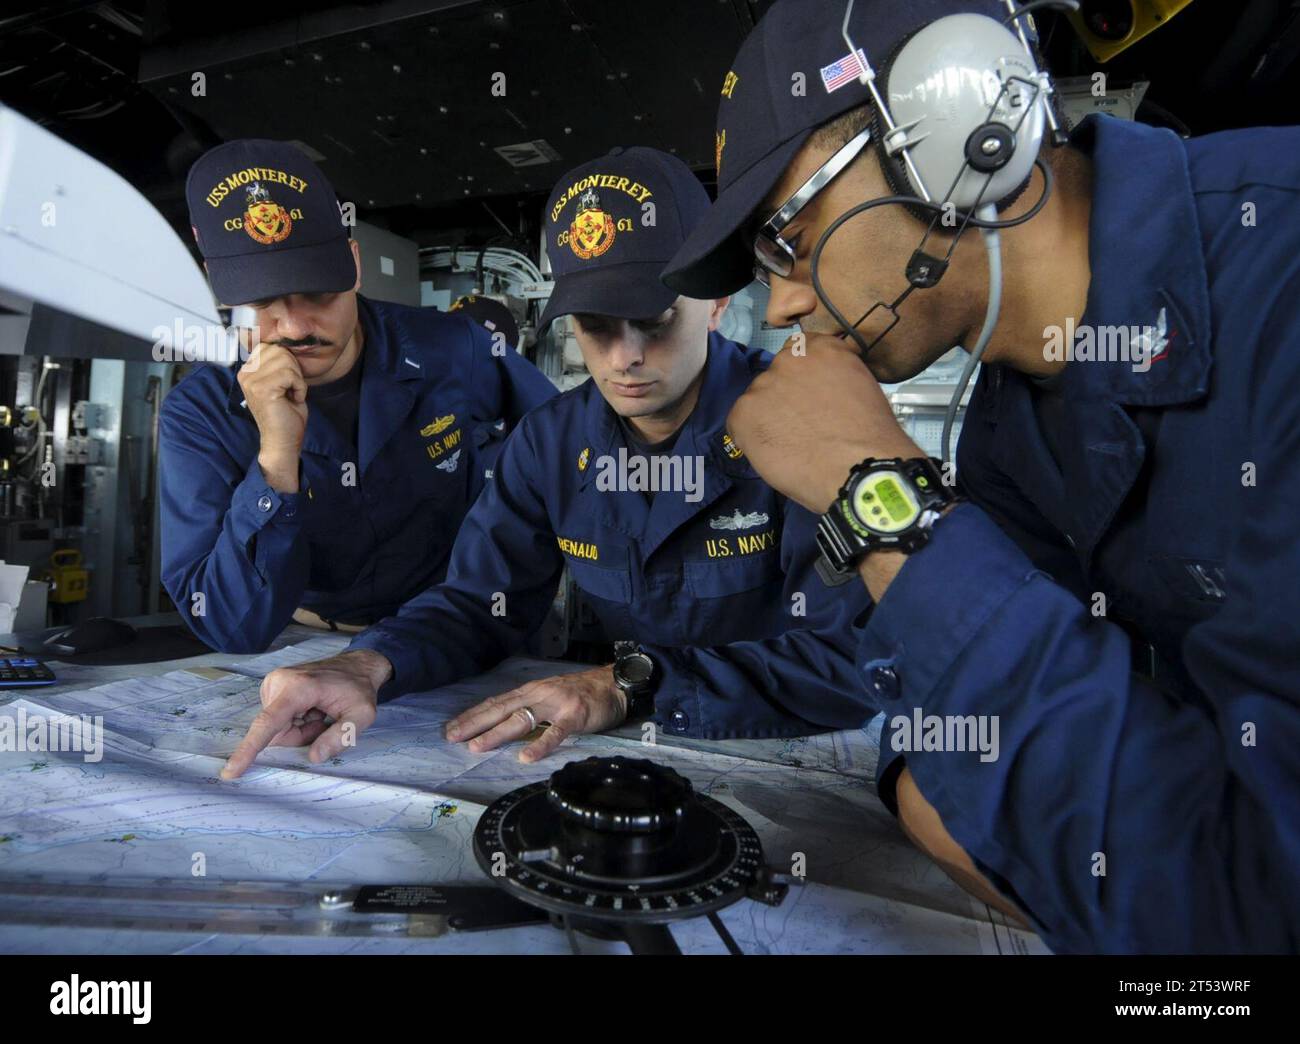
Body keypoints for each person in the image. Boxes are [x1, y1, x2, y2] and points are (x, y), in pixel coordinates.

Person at [662, 0, 1300, 953]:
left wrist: (877, 493)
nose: (785, 304)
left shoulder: (1281, 271)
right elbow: (937, 756)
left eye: (786, 237)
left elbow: (1257, 907)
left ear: (957, 130)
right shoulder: (1007, 430)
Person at [219, 146, 874, 779]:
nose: (624, 358)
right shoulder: (550, 442)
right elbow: (479, 603)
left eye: (655, 319)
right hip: (630, 747)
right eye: (595, 324)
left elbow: (854, 660)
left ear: (718, 301)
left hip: (791, 744)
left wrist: (625, 685)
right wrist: (368, 666)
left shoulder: (806, 424)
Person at [161, 138, 556, 651]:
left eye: (319, 293)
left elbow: (564, 447)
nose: (295, 327)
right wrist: (277, 461)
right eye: (262, 302)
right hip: (308, 643)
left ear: (353, 263)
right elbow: (229, 626)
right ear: (219, 290)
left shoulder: (456, 347)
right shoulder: (199, 413)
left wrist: (509, 566)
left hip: (455, 632)